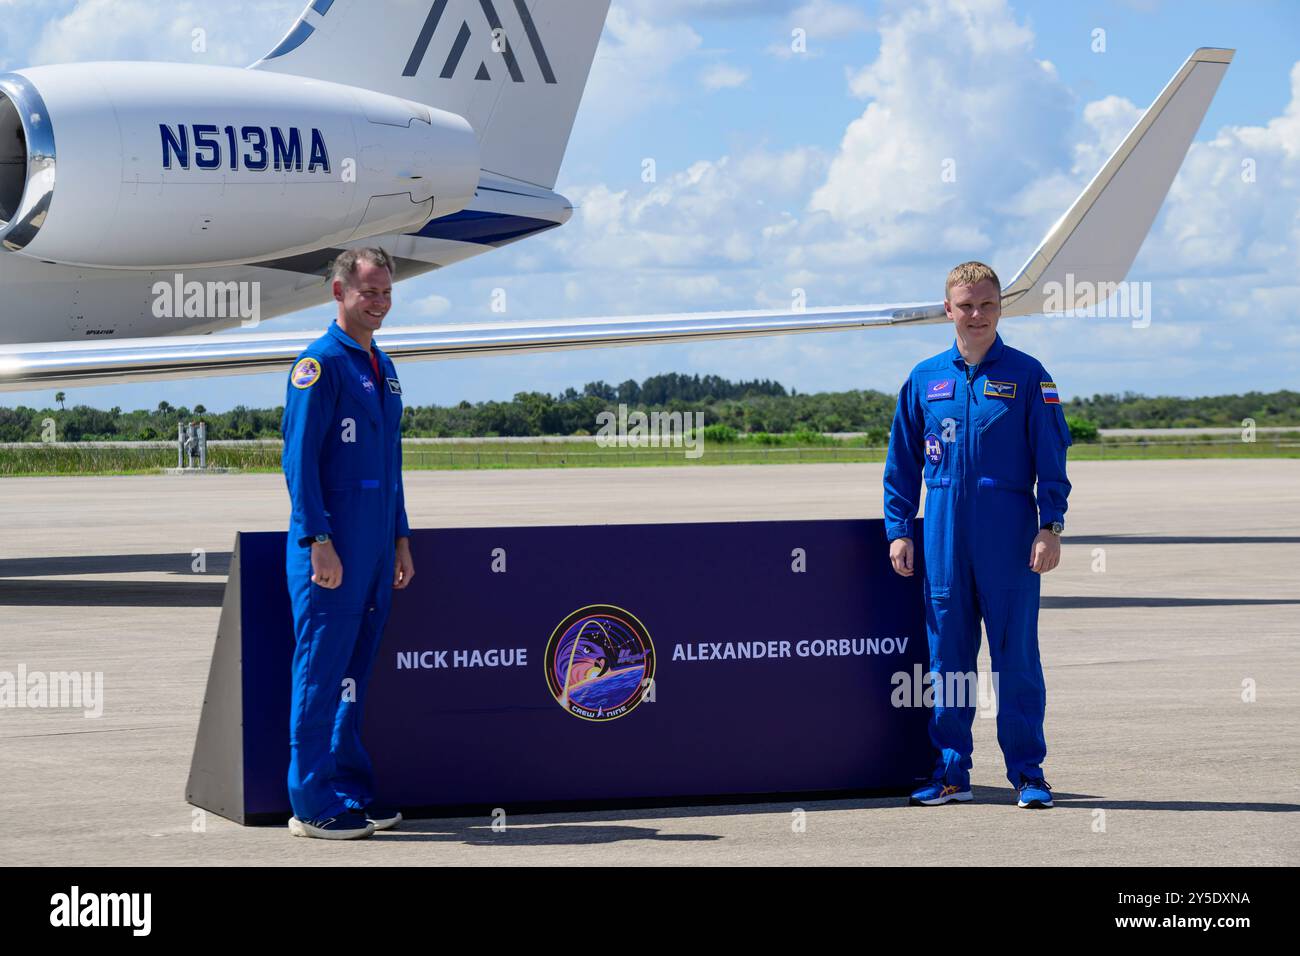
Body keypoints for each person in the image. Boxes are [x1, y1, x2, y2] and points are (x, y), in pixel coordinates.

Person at [883, 261, 1071, 809]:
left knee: (1016, 660)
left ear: (999, 308)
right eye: (966, 305)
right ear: (948, 310)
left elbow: (1051, 459)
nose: (977, 314)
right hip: (942, 537)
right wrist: (899, 529)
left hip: (1009, 538)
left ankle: (1028, 773)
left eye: (987, 304)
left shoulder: (1030, 375)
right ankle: (951, 773)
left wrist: (1050, 525)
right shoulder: (924, 379)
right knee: (948, 661)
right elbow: (901, 464)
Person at [281, 247, 416, 839]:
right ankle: (311, 804)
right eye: (369, 293)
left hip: (377, 548)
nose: (380, 302)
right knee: (319, 676)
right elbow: (298, 461)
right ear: (339, 293)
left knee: (353, 677)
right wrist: (318, 539)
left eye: (386, 292)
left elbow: (391, 464)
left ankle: (350, 791)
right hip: (332, 549)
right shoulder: (319, 365)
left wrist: (401, 538)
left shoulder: (382, 367)